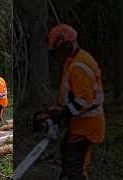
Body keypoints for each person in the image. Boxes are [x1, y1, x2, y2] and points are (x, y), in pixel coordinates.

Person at [47, 24, 106, 180]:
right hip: (80, 123)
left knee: (75, 166)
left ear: (67, 45)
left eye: (59, 50)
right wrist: (60, 110)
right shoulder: (75, 59)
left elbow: (85, 99)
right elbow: (73, 93)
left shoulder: (78, 65)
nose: (58, 55)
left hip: (86, 125)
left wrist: (64, 113)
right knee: (69, 154)